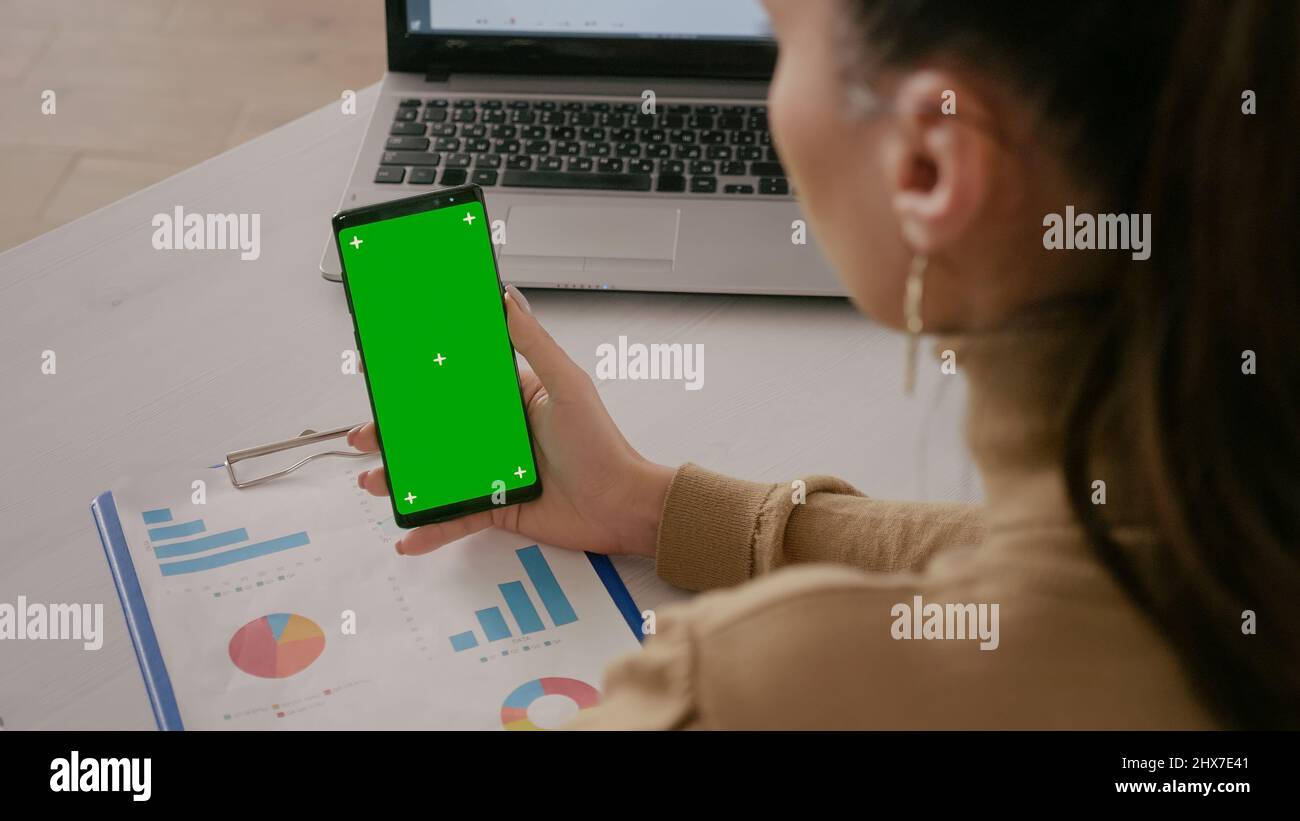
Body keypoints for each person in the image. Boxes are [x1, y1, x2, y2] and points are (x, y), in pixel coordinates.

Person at [349, 0, 1298, 728]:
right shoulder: (1235, 525)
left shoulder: (752, 694)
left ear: (928, 166)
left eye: (780, 34)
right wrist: (652, 505)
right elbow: (1095, 562)